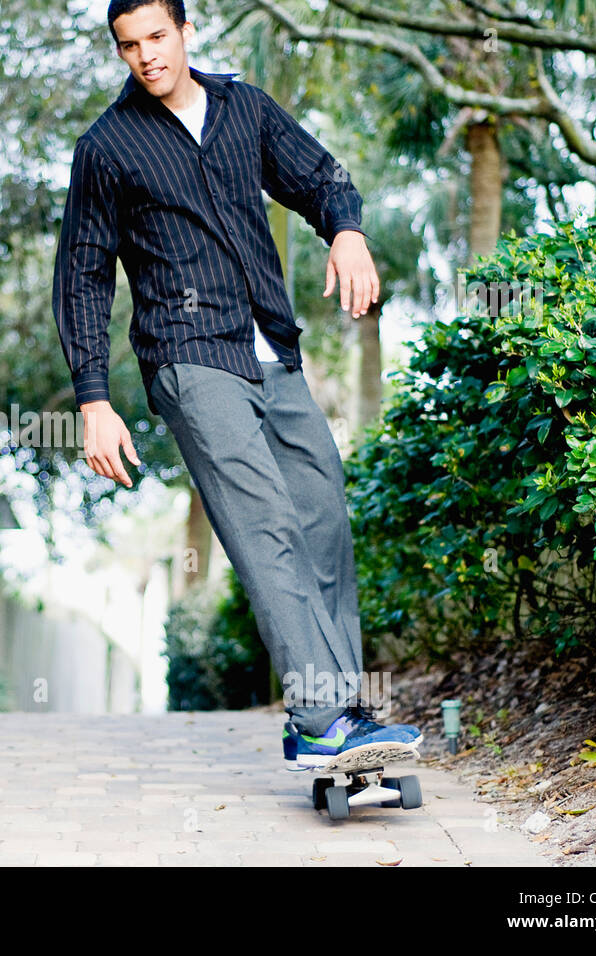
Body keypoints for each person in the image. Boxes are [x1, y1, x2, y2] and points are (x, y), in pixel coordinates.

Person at [51, 0, 422, 768]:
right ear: (119, 53)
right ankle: (322, 718)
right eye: (129, 46)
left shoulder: (242, 107)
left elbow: (320, 175)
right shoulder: (108, 148)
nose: (147, 56)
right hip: (191, 360)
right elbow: (83, 275)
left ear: (187, 32)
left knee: (323, 515)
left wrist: (346, 231)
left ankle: (345, 708)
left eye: (158, 37)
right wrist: (93, 397)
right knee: (267, 529)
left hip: (274, 353)